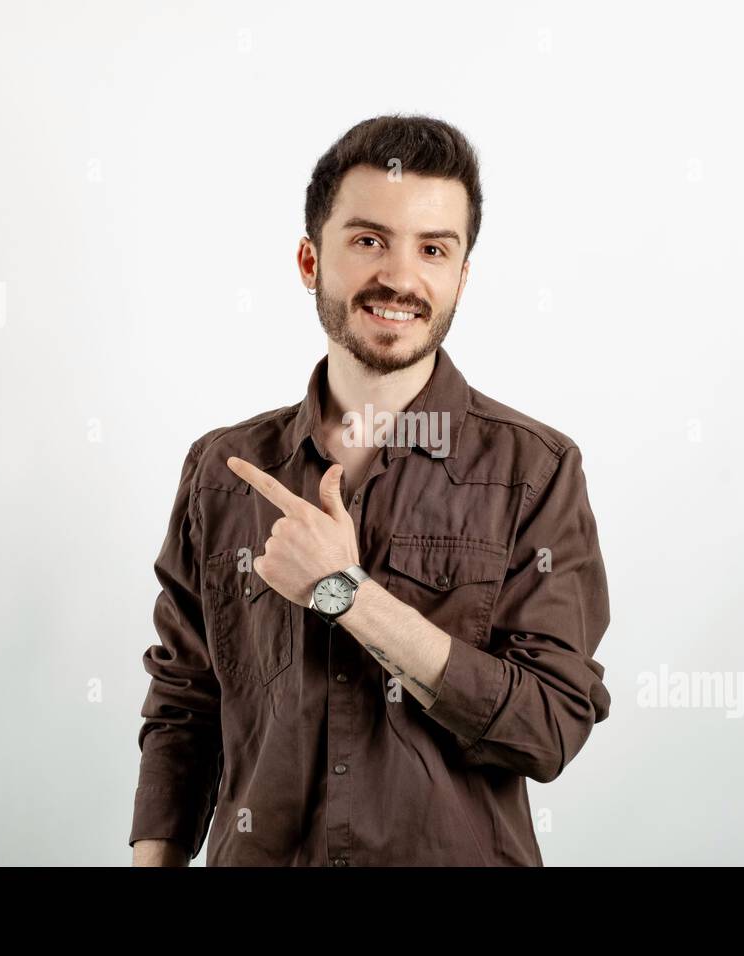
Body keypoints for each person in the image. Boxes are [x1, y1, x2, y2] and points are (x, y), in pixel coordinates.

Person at [130, 114, 611, 866]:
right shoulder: (221, 470)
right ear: (308, 259)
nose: (400, 276)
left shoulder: (538, 471)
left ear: (462, 275)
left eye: (432, 249)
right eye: (368, 241)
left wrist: (348, 595)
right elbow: (184, 707)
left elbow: (548, 726)